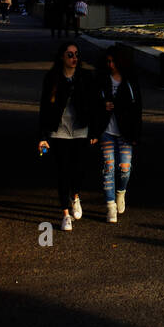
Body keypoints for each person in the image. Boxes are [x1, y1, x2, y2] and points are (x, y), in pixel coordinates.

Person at [37, 42, 101, 232]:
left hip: (81, 129)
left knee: (78, 170)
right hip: (59, 130)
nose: (74, 58)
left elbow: (95, 104)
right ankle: (65, 214)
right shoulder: (53, 78)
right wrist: (42, 136)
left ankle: (76, 197)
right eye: (70, 55)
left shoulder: (85, 77)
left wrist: (95, 131)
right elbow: (44, 107)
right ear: (62, 57)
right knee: (63, 171)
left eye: (76, 55)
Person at [95, 45, 142, 223]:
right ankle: (110, 206)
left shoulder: (130, 81)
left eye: (114, 61)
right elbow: (92, 102)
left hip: (126, 132)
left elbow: (137, 108)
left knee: (125, 168)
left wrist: (137, 134)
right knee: (108, 167)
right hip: (106, 130)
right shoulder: (101, 79)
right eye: (108, 61)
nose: (111, 64)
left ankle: (120, 192)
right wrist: (102, 106)